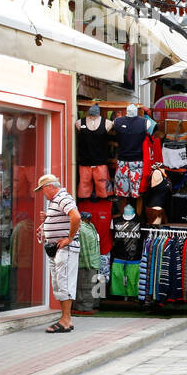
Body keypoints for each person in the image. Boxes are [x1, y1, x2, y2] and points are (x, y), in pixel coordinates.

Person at [35, 173, 80, 333]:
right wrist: (49, 218)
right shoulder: (57, 200)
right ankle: (66, 318)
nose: (42, 193)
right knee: (60, 282)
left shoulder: (62, 197)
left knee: (64, 282)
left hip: (65, 248)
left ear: (50, 187)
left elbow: (76, 217)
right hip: (58, 249)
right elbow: (66, 218)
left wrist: (69, 238)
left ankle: (65, 320)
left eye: (42, 190)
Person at [74, 104, 112, 199]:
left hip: (101, 161)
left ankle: (103, 203)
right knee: (84, 184)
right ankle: (85, 203)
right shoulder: (79, 123)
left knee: (102, 185)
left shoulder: (107, 123)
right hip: (84, 161)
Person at [111, 103, 148, 200]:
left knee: (124, 191)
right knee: (136, 190)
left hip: (125, 160)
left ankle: (129, 212)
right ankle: (128, 213)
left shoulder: (117, 121)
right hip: (136, 161)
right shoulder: (144, 122)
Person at [73, 210, 102, 316]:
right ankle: (83, 307)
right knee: (85, 286)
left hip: (93, 262)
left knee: (91, 286)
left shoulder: (90, 226)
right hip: (88, 263)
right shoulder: (83, 229)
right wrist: (87, 264)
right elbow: (83, 248)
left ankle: (89, 306)